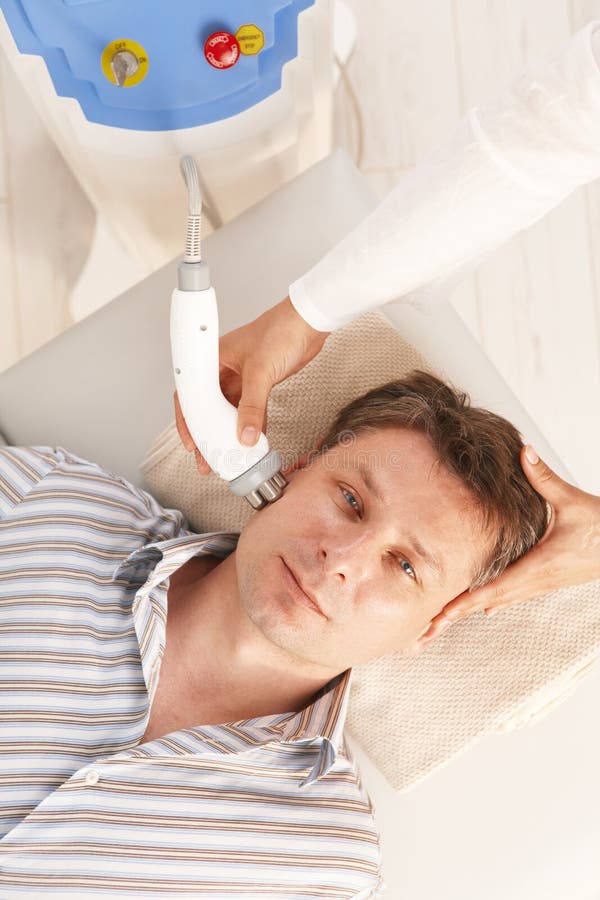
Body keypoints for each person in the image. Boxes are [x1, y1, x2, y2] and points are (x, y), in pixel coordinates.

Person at [1, 371, 547, 895]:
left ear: (431, 625)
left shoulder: (326, 868)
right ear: (298, 469)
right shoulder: (52, 500)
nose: (344, 560)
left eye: (404, 566)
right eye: (351, 501)